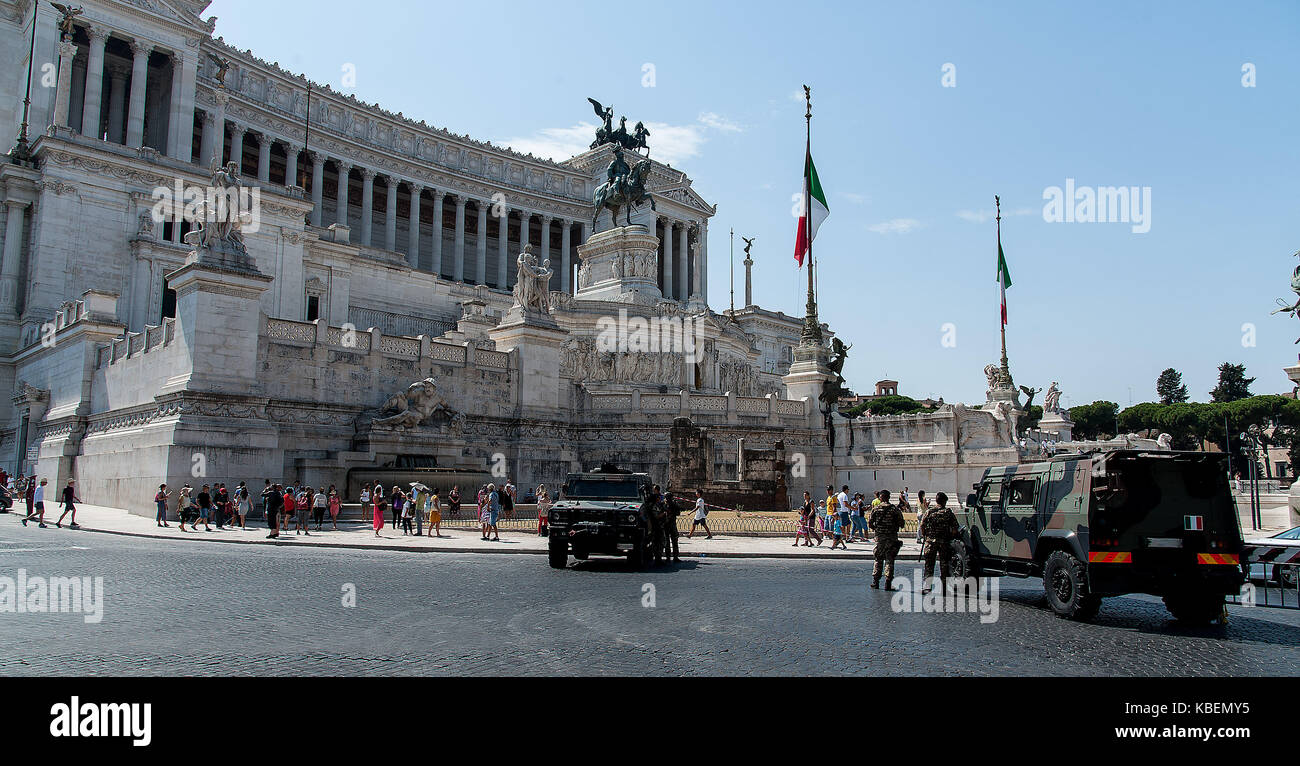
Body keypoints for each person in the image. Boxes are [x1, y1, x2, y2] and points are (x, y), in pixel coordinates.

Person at [919, 492, 960, 594]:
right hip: (944, 542)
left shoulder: (929, 511)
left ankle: (927, 587)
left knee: (929, 565)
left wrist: (925, 536)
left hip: (930, 542)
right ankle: (945, 588)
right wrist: (951, 536)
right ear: (945, 501)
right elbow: (955, 528)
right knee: (944, 565)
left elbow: (922, 526)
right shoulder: (948, 512)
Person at [868, 490, 906, 590]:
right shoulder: (894, 509)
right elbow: (902, 524)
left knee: (878, 559)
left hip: (880, 538)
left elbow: (870, 524)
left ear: (880, 498)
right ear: (889, 497)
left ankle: (875, 582)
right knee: (889, 560)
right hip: (892, 538)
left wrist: (878, 529)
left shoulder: (876, 509)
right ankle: (888, 583)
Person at [641, 485, 666, 565]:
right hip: (656, 526)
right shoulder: (654, 506)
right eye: (658, 498)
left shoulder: (655, 505)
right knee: (658, 543)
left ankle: (657, 557)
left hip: (656, 526)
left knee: (658, 542)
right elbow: (656, 516)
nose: (660, 499)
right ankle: (657, 558)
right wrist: (664, 514)